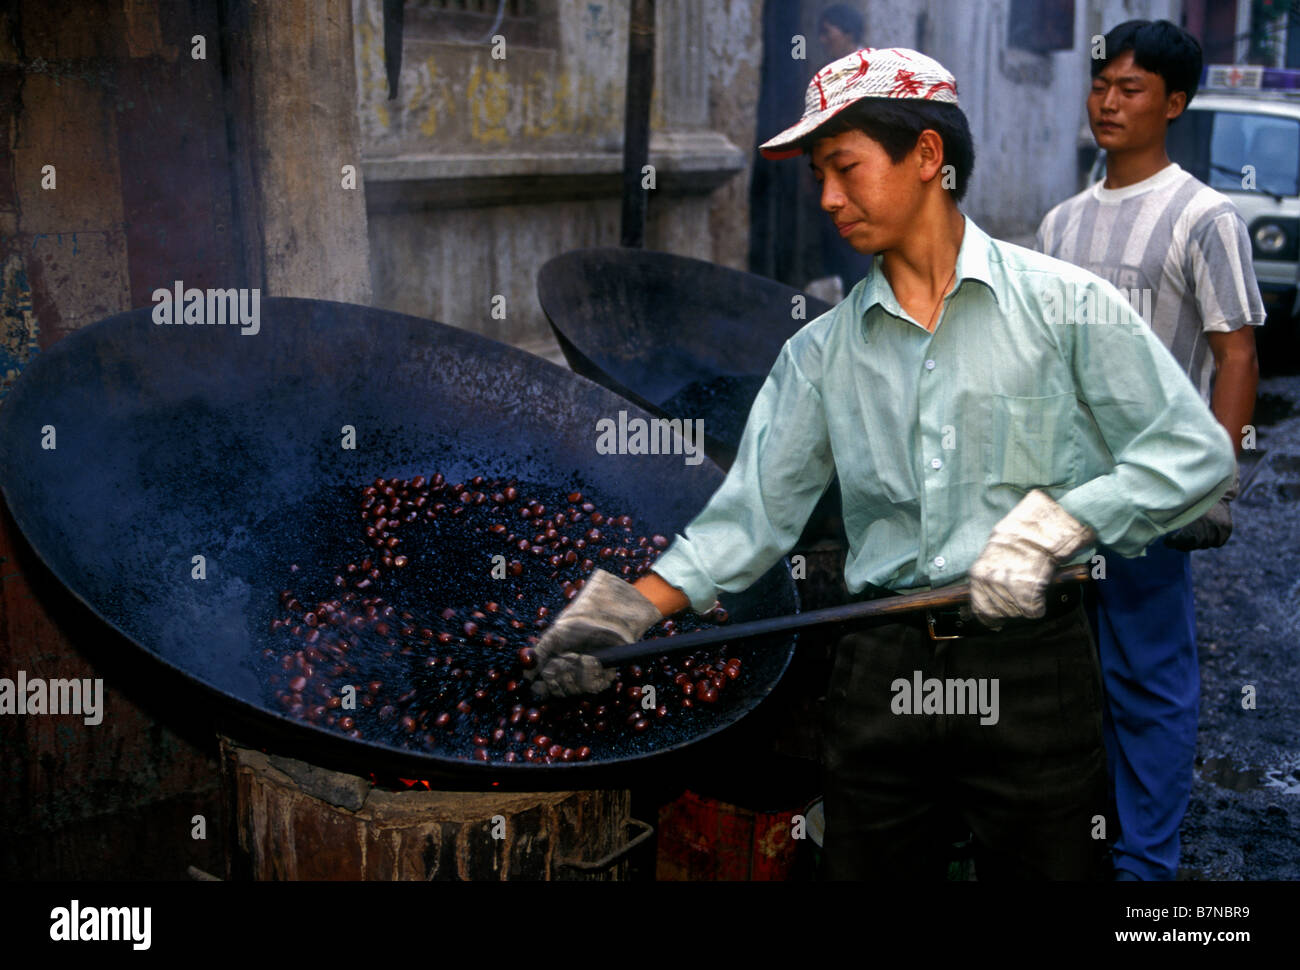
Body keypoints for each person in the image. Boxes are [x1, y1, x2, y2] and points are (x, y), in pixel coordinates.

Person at [528, 48, 1237, 879]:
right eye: (819, 176)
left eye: (846, 167)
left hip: (1031, 673)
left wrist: (1063, 524)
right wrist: (627, 610)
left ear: (928, 155)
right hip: (879, 671)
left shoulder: (1065, 307)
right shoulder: (820, 354)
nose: (828, 197)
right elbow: (751, 517)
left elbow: (1194, 452)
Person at [1035, 19, 1263, 881]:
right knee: (1070, 676)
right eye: (1100, 86)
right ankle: (1085, 842)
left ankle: (1146, 869)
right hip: (1068, 493)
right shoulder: (1060, 224)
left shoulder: (1205, 218)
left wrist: (1218, 484)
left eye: (1131, 89)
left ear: (1174, 103)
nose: (1108, 102)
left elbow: (1236, 352)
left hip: (1153, 494)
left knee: (1151, 682)